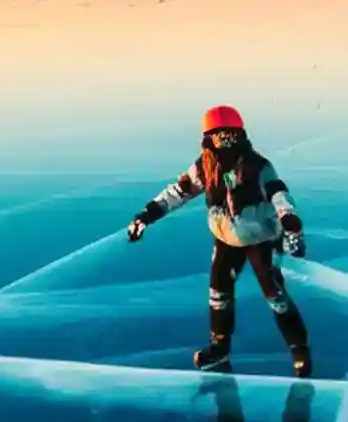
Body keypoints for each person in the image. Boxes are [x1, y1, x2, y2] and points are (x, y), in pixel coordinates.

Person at [127, 105, 312, 378]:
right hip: (226, 237)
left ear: (240, 135)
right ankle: (219, 347)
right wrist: (147, 215)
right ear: (209, 138)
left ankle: (299, 348)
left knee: (275, 294)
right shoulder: (204, 167)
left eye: (230, 134)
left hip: (260, 237)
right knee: (218, 294)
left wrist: (288, 219)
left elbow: (277, 191)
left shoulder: (257, 166)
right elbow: (177, 192)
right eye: (219, 135)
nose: (225, 140)